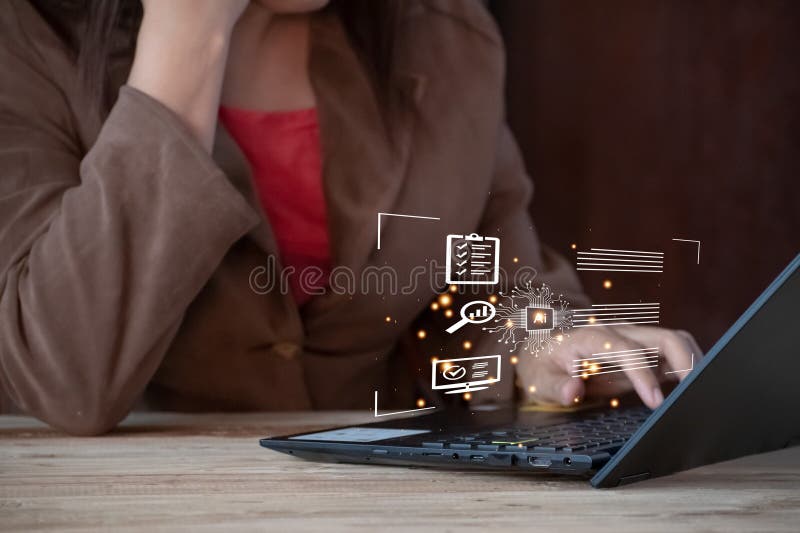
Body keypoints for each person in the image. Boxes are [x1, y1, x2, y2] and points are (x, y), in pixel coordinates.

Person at [0, 0, 700, 435]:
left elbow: (494, 283)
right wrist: (189, 34)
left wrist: (543, 348)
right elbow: (67, 381)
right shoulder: (26, 40)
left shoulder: (444, 32)